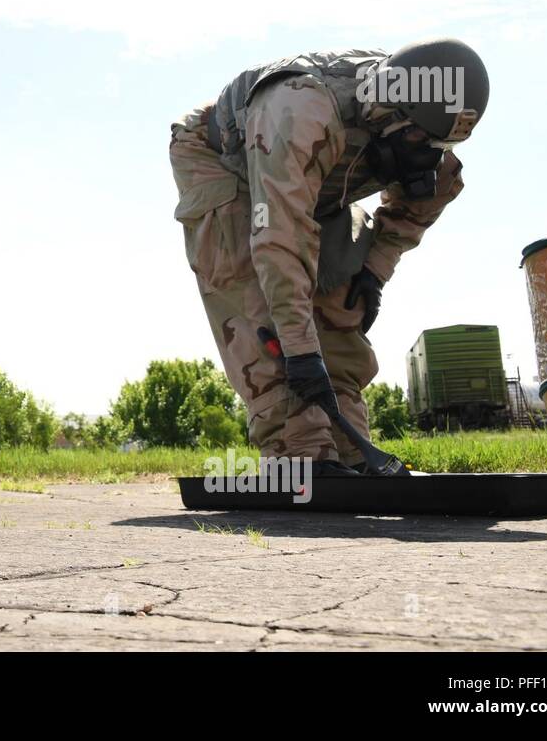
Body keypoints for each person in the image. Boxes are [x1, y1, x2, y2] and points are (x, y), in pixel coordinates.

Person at [169, 40, 488, 474]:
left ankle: (350, 448)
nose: (427, 156)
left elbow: (415, 210)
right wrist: (301, 352)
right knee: (264, 312)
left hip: (319, 184)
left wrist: (373, 274)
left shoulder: (425, 131)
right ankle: (296, 454)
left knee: (340, 311)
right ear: (386, 111)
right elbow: (279, 239)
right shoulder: (301, 110)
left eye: (438, 145)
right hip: (229, 165)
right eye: (418, 140)